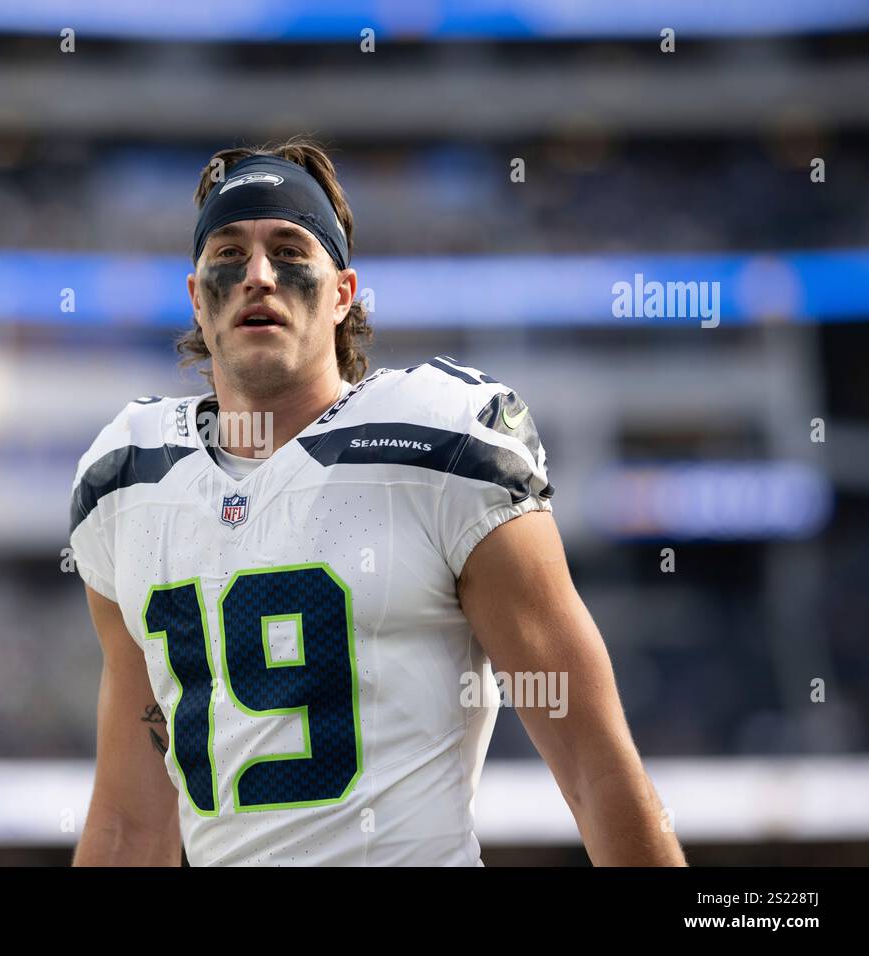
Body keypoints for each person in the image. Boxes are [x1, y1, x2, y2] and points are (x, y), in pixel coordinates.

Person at [68, 138, 685, 866]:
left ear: (342, 294)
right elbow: (127, 823)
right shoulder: (127, 481)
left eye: (291, 250)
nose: (258, 275)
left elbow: (596, 770)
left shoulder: (441, 443)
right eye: (228, 253)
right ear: (198, 298)